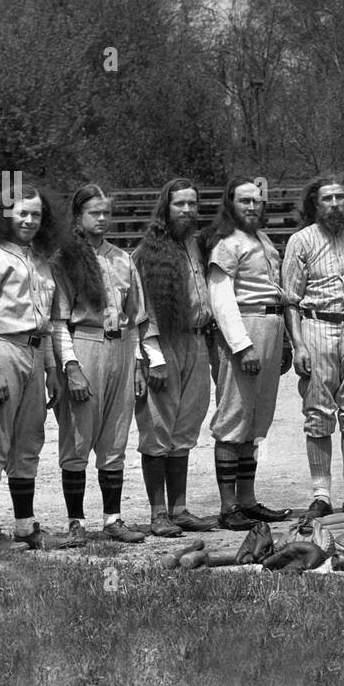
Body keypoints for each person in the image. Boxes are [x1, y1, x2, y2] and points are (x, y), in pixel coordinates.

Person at [52, 184, 154, 545]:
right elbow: (58, 320)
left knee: (115, 436)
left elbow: (137, 316)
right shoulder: (65, 259)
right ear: (78, 217)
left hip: (122, 347)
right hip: (86, 343)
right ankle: (76, 521)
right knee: (78, 437)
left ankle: (113, 518)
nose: (102, 219)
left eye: (106, 212)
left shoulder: (122, 259)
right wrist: (70, 366)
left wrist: (141, 362)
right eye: (94, 212)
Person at [0, 186, 60, 551]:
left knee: (28, 440)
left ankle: (24, 525)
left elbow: (48, 321)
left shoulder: (41, 259)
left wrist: (52, 368)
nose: (29, 220)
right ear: (5, 215)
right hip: (3, 348)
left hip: (35, 352)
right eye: (21, 213)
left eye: (36, 214)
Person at [283, 174, 344, 522]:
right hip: (316, 326)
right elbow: (290, 300)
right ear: (315, 203)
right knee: (318, 413)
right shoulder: (301, 241)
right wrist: (298, 346)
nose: (334, 204)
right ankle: (321, 493)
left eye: (340, 197)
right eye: (327, 198)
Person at [133, 178, 222, 537]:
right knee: (158, 428)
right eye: (179, 204)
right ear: (165, 208)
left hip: (197, 342)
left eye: (191, 204)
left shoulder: (197, 246)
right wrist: (152, 355)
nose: (186, 210)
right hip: (165, 343)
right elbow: (143, 308)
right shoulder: (147, 253)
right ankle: (157, 513)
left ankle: (179, 508)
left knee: (185, 428)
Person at [206, 176, 292, 527]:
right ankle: (228, 508)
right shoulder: (226, 244)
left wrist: (284, 341)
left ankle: (248, 499)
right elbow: (222, 300)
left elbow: (275, 291)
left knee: (257, 419)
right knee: (233, 419)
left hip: (271, 327)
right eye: (244, 201)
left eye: (257, 200)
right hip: (245, 328)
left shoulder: (264, 240)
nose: (252, 206)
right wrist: (242, 347)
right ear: (231, 204)